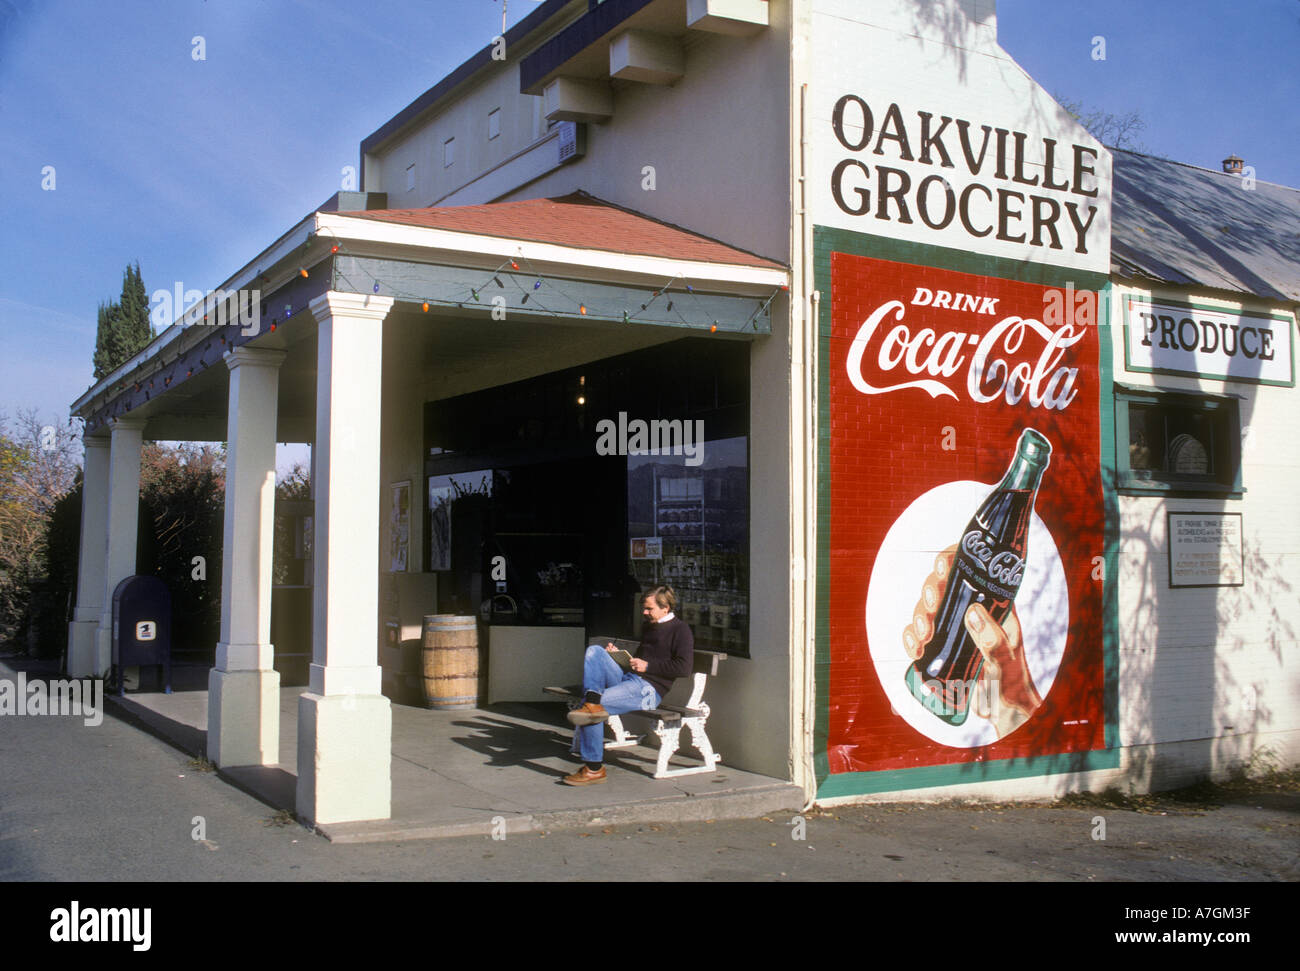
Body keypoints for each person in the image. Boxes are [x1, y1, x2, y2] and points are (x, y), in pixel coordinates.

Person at [562, 585, 694, 786]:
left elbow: (684, 668)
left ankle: (594, 769)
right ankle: (591, 700)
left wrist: (648, 665)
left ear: (665, 607)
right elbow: (640, 660)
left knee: (593, 707)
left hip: (650, 691)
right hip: (631, 679)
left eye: (649, 609)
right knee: (595, 652)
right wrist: (618, 656)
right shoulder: (651, 625)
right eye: (645, 608)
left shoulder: (681, 630)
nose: (645, 612)